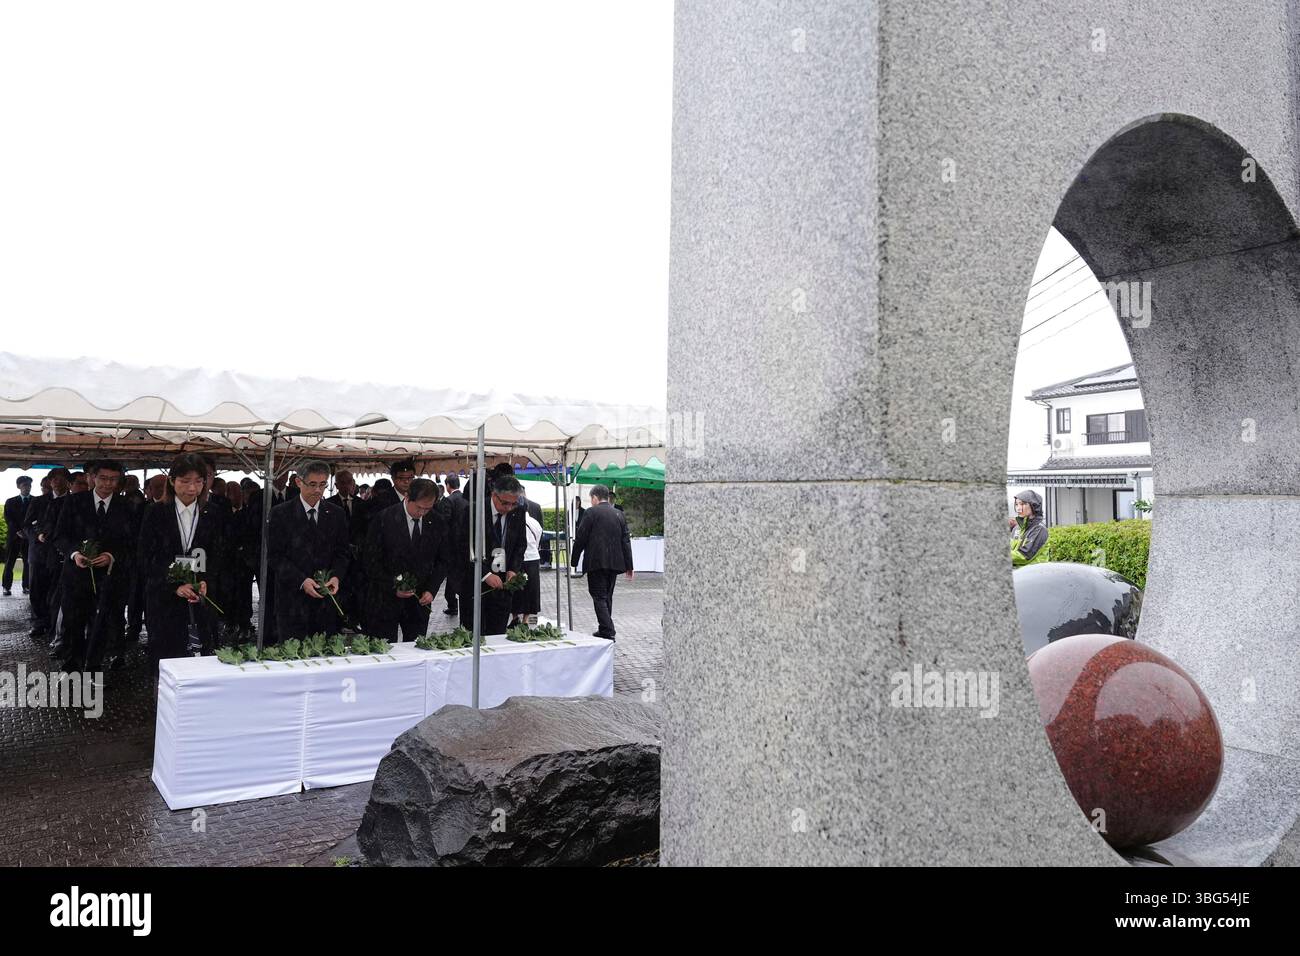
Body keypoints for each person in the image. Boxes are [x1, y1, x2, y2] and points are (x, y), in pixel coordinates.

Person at [137, 453, 226, 669]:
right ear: (172, 480)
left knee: (199, 655)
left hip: (200, 596)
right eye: (185, 481)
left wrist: (205, 581)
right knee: (166, 657)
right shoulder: (155, 512)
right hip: (163, 598)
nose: (192, 488)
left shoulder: (212, 513)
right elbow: (145, 557)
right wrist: (174, 586)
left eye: (198, 481)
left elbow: (217, 555)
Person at [51, 459, 136, 670]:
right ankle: (72, 665)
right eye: (103, 478)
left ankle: (95, 668)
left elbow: (132, 542)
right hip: (76, 576)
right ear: (93, 477)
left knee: (103, 625)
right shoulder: (74, 502)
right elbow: (60, 536)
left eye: (114, 479)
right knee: (74, 622)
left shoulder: (126, 506)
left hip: (110, 578)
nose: (108, 484)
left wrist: (111, 555)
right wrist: (74, 554)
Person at [267, 460, 350, 642]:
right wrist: (302, 580)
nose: (318, 491)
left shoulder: (336, 514)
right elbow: (274, 556)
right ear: (298, 482)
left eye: (322, 485)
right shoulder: (280, 513)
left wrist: (336, 576)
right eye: (312, 484)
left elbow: (342, 552)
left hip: (326, 604)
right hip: (292, 603)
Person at [364, 478, 449, 643]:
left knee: (416, 648)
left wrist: (432, 590)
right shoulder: (384, 518)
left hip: (419, 600)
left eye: (428, 508)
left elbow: (443, 560)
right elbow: (370, 560)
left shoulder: (437, 521)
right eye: (419, 507)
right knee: (385, 650)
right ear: (407, 497)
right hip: (385, 599)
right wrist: (392, 586)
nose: (422, 512)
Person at [458, 474, 526, 636]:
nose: (509, 508)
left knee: (498, 635)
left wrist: (513, 570)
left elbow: (520, 545)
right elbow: (463, 546)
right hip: (475, 585)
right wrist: (485, 574)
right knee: (473, 634)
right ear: (494, 495)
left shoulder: (519, 512)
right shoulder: (474, 511)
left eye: (513, 503)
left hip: (503, 586)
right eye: (505, 503)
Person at [569, 484, 632, 641]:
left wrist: (574, 561)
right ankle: (604, 628)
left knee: (598, 595)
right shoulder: (619, 514)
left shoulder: (591, 513)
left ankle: (608, 628)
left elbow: (581, 537)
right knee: (607, 596)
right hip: (615, 563)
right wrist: (629, 565)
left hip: (596, 562)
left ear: (595, 498)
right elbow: (626, 541)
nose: (591, 502)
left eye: (591, 499)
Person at [27, 468, 69, 639]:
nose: (58, 483)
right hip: (39, 553)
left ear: (68, 482)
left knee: (56, 593)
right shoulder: (38, 501)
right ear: (50, 482)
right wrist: (38, 534)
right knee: (37, 590)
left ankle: (53, 626)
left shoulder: (72, 502)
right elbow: (27, 524)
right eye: (55, 480)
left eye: (62, 479)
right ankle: (38, 622)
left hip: (60, 554)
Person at [327, 469, 368, 630]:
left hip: (358, 559)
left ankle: (355, 619)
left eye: (349, 482)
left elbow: (366, 529)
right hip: (337, 557)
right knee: (339, 590)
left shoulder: (362, 504)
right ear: (336, 485)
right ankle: (338, 621)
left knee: (357, 590)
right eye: (342, 482)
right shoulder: (329, 504)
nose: (347, 486)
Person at [510, 499, 544, 628]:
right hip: (533, 558)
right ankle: (527, 620)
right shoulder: (534, 522)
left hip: (517, 560)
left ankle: (514, 618)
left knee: (515, 590)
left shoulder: (512, 521)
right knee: (531, 591)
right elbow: (538, 539)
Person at [439, 473, 469, 615]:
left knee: (451, 574)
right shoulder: (467, 500)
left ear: (448, 486)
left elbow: (444, 524)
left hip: (452, 546)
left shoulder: (448, 501)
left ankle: (452, 604)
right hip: (467, 545)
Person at [3, 475, 34, 595]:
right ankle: (6, 587)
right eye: (25, 485)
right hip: (14, 537)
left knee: (28, 562)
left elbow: (37, 518)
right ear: (18, 486)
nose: (27, 488)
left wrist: (28, 532)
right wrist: (18, 531)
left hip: (29, 537)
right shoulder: (10, 501)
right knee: (9, 562)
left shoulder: (35, 501)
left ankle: (26, 586)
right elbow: (8, 518)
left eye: (29, 485)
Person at [1010, 489, 1049, 567]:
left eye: (1022, 504)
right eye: (1017, 504)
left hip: (1034, 575)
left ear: (1033, 506)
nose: (1018, 508)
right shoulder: (1017, 529)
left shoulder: (1039, 529)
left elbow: (1024, 555)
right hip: (1018, 574)